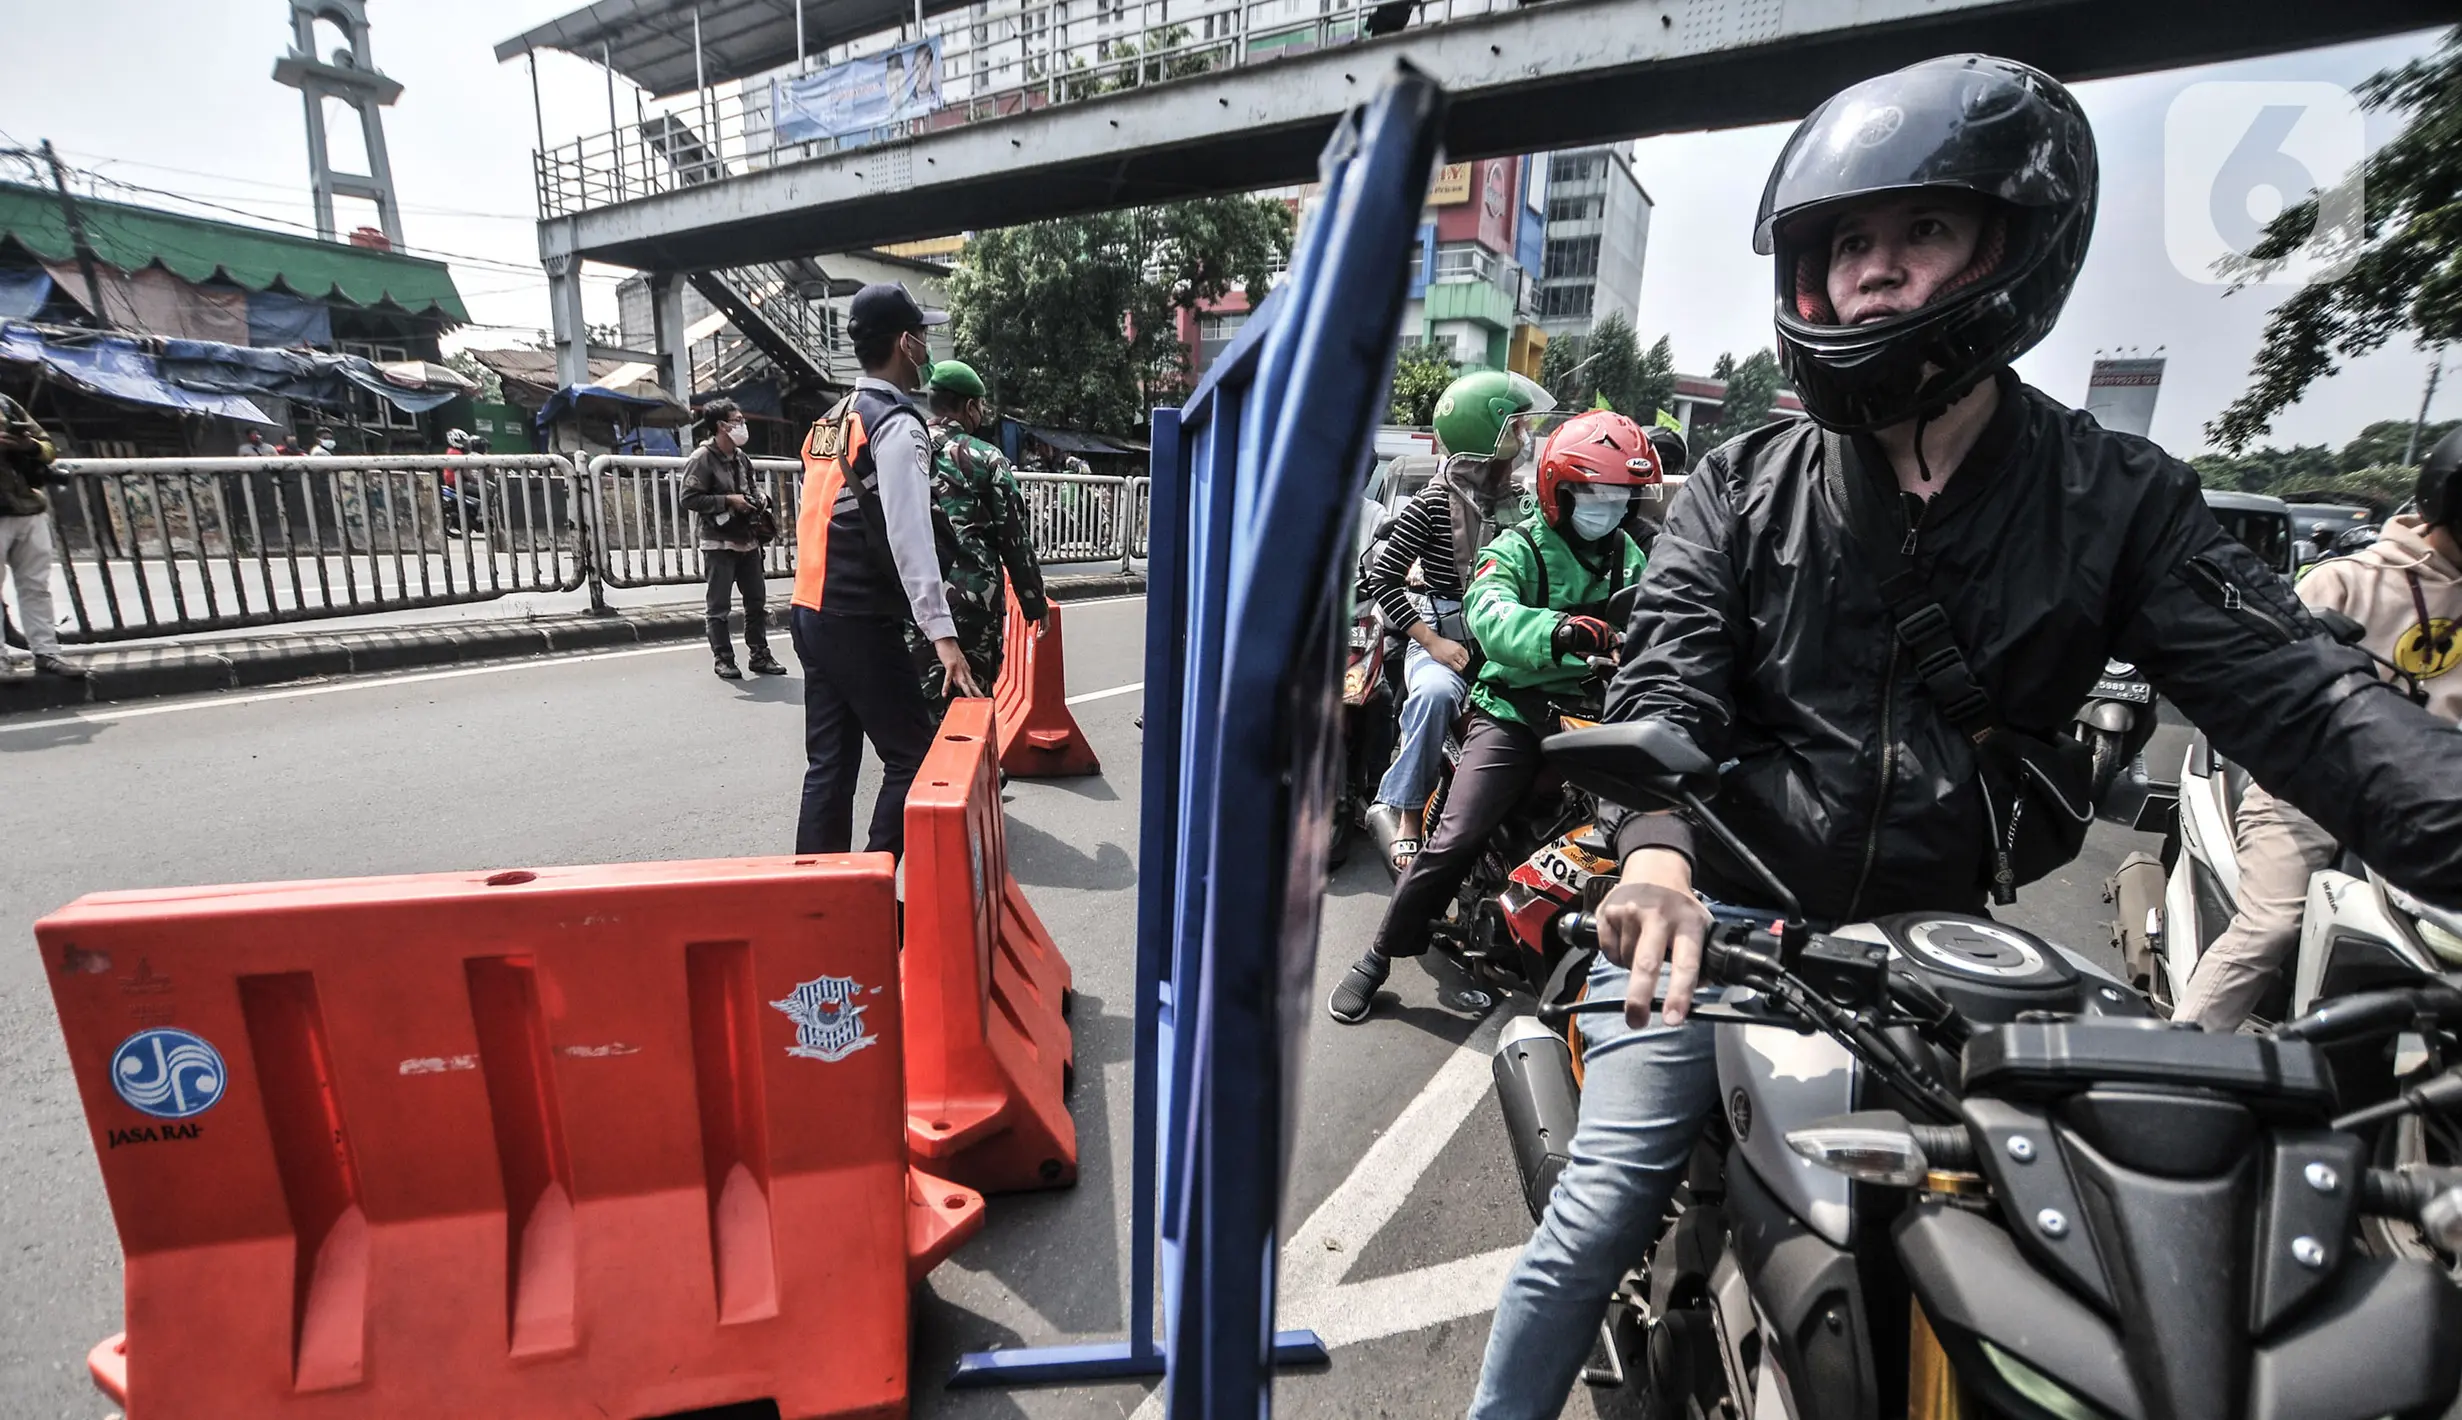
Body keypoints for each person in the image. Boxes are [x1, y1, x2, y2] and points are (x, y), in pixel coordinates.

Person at [1466, 56, 2462, 1420]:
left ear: (2011, 243)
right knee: (1590, 1221)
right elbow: (1667, 687)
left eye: (1920, 232)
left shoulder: (2115, 498)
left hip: (1945, 955)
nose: (1875, 272)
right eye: (1849, 243)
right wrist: (1652, 859)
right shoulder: (1738, 492)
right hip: (1733, 927)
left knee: (2149, 1262)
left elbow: (2311, 701)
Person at [1328, 408, 1656, 1024]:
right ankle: (1377, 956)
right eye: (1597, 493)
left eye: (1622, 496)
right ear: (1560, 491)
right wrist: (1559, 631)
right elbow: (1491, 614)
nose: (1609, 507)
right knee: (1456, 838)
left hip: (1596, 714)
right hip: (1514, 711)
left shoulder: (1630, 556)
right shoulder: (1518, 546)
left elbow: (1667, 610)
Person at [2177, 425, 2462, 1032]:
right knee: (2270, 925)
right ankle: (2174, 1062)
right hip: (2308, 794)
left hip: (2436, 803)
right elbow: (2273, 677)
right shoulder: (2348, 580)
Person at [790, 283, 978, 857]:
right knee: (913, 755)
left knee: (831, 763)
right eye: (922, 336)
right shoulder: (896, 422)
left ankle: (815, 900)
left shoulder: (832, 417)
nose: (926, 348)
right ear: (905, 342)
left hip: (811, 609)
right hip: (856, 616)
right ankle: (870, 884)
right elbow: (910, 534)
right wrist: (943, 636)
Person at [1359, 370, 1555, 874]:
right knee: (1434, 694)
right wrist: (1431, 642)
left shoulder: (1525, 506)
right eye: (1515, 429)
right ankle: (1403, 810)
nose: (1524, 440)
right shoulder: (1430, 504)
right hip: (1441, 642)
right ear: (1482, 435)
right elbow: (1384, 580)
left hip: (1502, 647)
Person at [916, 359, 1046, 715]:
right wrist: (1034, 601)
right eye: (981, 405)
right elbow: (1013, 537)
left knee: (919, 705)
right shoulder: (986, 457)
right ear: (970, 406)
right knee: (969, 705)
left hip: (914, 600)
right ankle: (975, 770)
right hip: (970, 606)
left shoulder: (905, 448)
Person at [679, 398, 785, 680]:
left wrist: (758, 499)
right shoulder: (701, 458)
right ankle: (723, 658)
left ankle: (760, 655)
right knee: (719, 607)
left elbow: (751, 486)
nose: (742, 425)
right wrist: (728, 501)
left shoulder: (741, 458)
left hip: (748, 540)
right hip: (719, 543)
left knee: (756, 602)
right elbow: (688, 498)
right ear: (721, 426)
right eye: (737, 421)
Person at [0, 393, 84, 678]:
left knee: (36, 586)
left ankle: (47, 652)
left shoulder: (5, 404)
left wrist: (29, 445)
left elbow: (49, 449)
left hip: (28, 508)